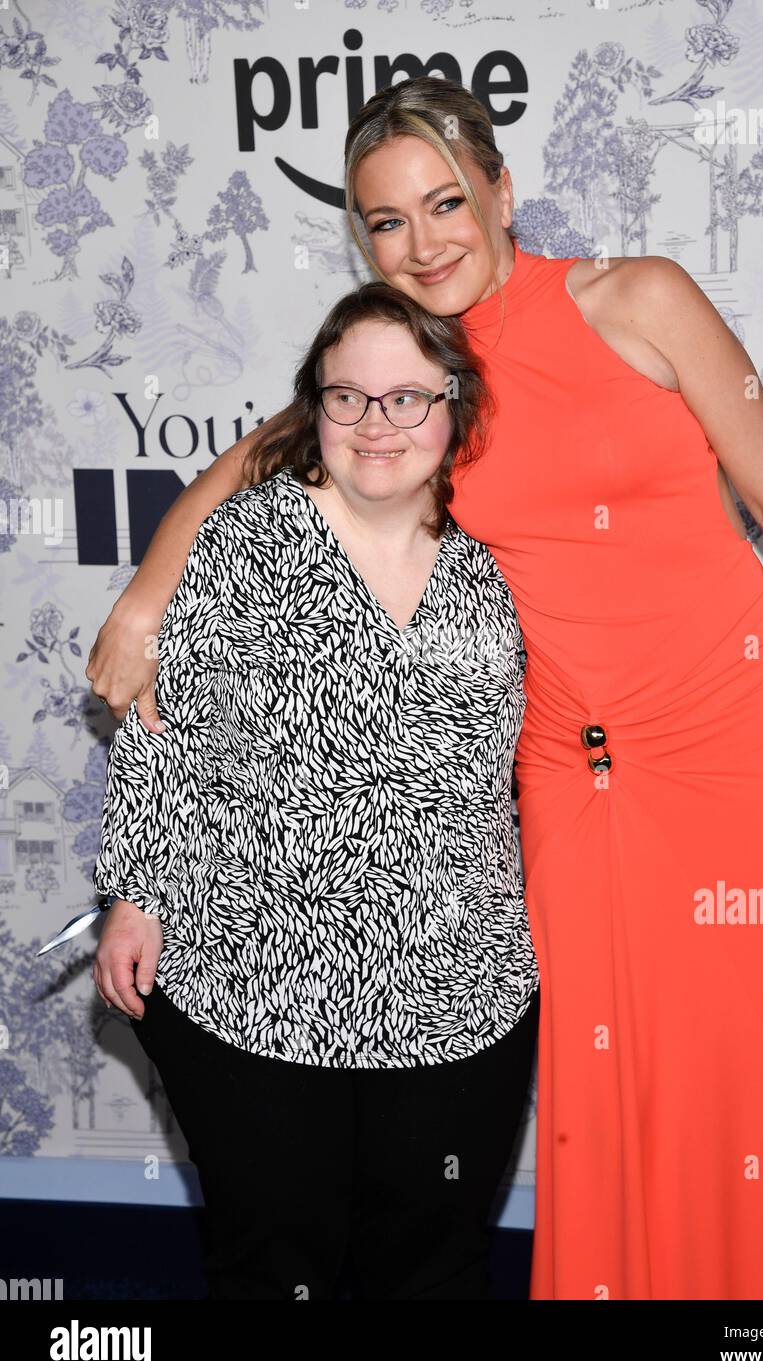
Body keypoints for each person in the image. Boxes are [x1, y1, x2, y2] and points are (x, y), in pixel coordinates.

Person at [87, 76, 763, 1300]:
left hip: (731, 750)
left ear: (502, 190)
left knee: (738, 1088)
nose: (421, 243)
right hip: (568, 776)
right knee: (596, 1089)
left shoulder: (640, 297)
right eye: (386, 222)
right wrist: (148, 594)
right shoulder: (417, 375)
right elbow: (253, 460)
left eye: (445, 202)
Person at [92, 281, 540, 1300]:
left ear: (453, 409)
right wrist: (135, 894)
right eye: (347, 398)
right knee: (276, 1263)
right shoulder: (244, 540)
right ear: (313, 411)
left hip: (454, 994)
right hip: (255, 980)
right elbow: (168, 729)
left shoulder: (502, 559)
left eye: (406, 399)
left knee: (430, 1266)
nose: (375, 425)